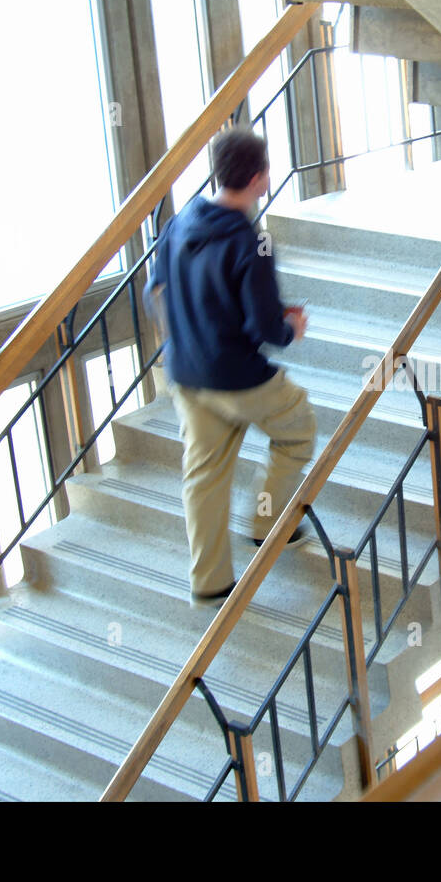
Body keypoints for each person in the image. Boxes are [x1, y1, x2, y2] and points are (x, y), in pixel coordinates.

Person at [145, 128, 316, 604]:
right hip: (239, 379)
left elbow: (154, 291)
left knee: (203, 473)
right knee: (298, 429)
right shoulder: (253, 242)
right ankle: (265, 521)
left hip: (186, 373)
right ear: (260, 178)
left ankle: (211, 580)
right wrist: (291, 328)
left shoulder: (180, 223)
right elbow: (264, 327)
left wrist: (189, 331)